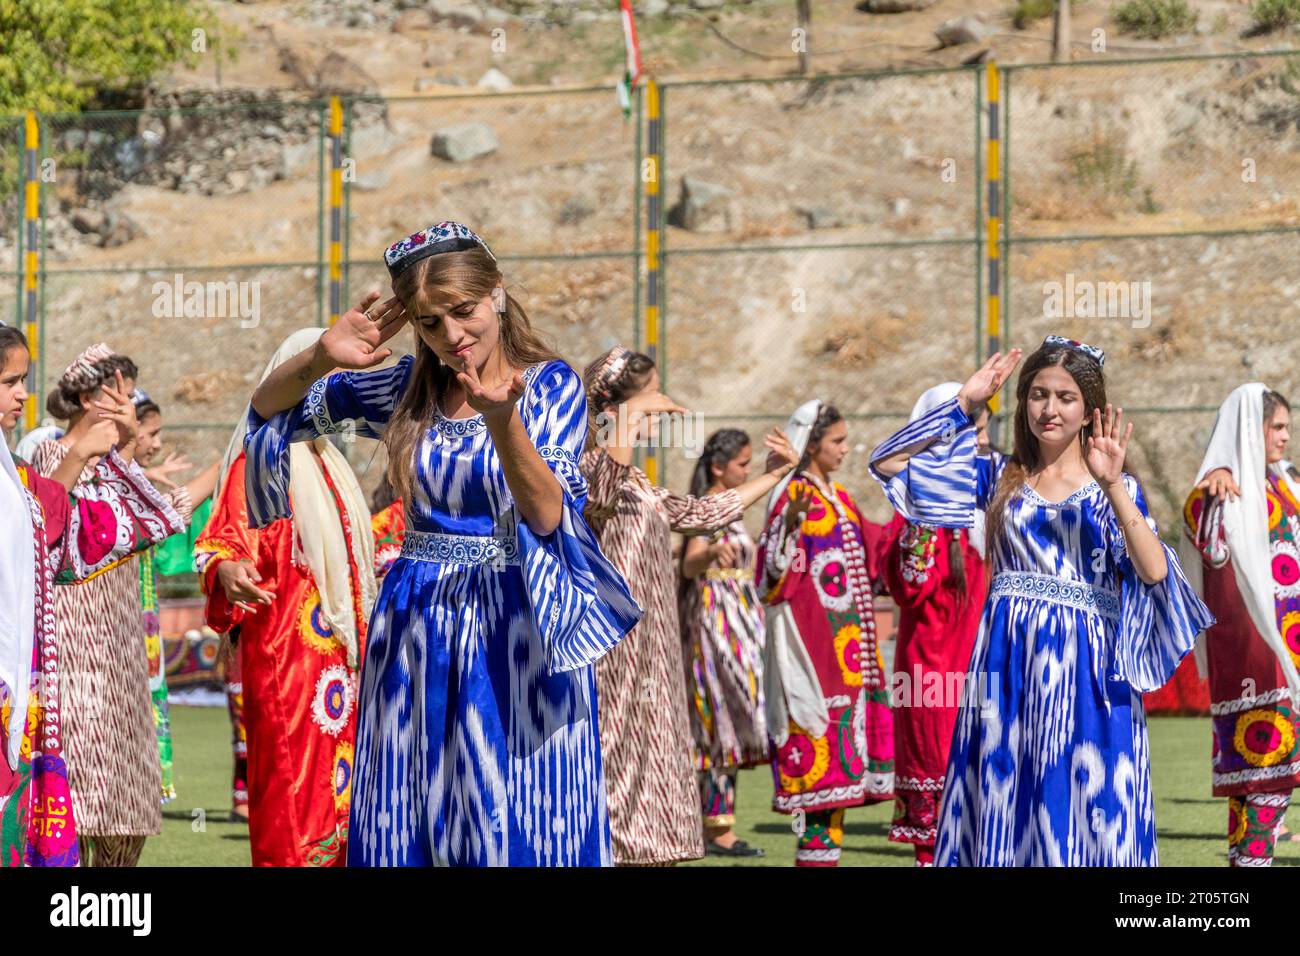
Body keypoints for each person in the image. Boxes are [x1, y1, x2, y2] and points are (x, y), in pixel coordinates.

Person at [244, 221, 642, 866]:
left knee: (515, 809)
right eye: (430, 323)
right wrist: (322, 355)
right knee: (410, 804)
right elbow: (268, 409)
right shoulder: (407, 389)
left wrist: (503, 422)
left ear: (497, 294)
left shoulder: (549, 385)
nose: (453, 335)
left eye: (463, 311)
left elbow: (547, 513)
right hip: (416, 619)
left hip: (515, 620)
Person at [870, 336, 1214, 866]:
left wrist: (1114, 485)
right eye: (1037, 394)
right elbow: (888, 462)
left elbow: (1154, 571)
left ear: (1089, 409)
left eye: (1065, 397)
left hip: (1090, 669)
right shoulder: (997, 477)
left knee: (1089, 806)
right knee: (1005, 799)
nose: (1049, 409)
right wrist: (964, 404)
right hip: (1006, 663)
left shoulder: (1113, 487)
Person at [580, 347, 797, 865]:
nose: (663, 405)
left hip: (653, 645)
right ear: (615, 408)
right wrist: (629, 416)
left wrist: (774, 475)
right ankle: (611, 851)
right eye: (652, 395)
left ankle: (649, 850)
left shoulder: (638, 481)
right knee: (615, 753)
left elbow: (701, 513)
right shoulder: (587, 466)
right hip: (613, 646)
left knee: (650, 755)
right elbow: (598, 496)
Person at [0, 326, 185, 867]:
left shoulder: (18, 468)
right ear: (88, 398)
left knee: (118, 813)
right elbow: (56, 533)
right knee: (77, 798)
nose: (23, 393)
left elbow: (119, 529)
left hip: (114, 649)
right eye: (10, 381)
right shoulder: (41, 454)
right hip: (70, 655)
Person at [195, 329, 377, 867]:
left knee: (344, 803)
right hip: (285, 663)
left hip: (339, 664)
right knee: (293, 799)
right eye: (318, 381)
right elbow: (220, 542)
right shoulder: (259, 459)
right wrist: (226, 568)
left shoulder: (330, 466)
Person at [755, 400, 893, 867]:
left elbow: (876, 549)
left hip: (849, 659)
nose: (845, 448)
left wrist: (919, 511)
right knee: (818, 777)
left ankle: (822, 859)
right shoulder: (793, 498)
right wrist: (789, 525)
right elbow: (770, 580)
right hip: (813, 657)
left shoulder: (840, 498)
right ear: (811, 445)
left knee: (837, 785)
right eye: (837, 440)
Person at [1182, 384, 1300, 866]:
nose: (1286, 437)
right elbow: (1212, 553)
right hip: (1254, 658)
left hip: (1288, 652)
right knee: (1265, 774)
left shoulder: (1282, 484)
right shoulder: (1212, 494)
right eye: (1277, 427)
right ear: (1251, 429)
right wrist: (1217, 484)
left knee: (1264, 780)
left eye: (1288, 427)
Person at [880, 382, 994, 866]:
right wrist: (928, 510)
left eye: (985, 430)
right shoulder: (916, 508)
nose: (983, 441)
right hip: (932, 676)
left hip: (981, 669)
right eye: (975, 431)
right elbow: (910, 588)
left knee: (983, 795)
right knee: (938, 791)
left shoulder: (983, 499)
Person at [678, 428, 770, 857]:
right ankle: (716, 826)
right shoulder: (708, 508)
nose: (748, 471)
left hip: (740, 625)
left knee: (733, 718)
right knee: (718, 719)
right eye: (742, 464)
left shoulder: (730, 509)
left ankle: (717, 822)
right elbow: (690, 562)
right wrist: (711, 554)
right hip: (716, 628)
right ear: (718, 467)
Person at [132, 390, 220, 804]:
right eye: (150, 434)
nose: (157, 443)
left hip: (140, 632)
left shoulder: (130, 487)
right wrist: (223, 464)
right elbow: (168, 514)